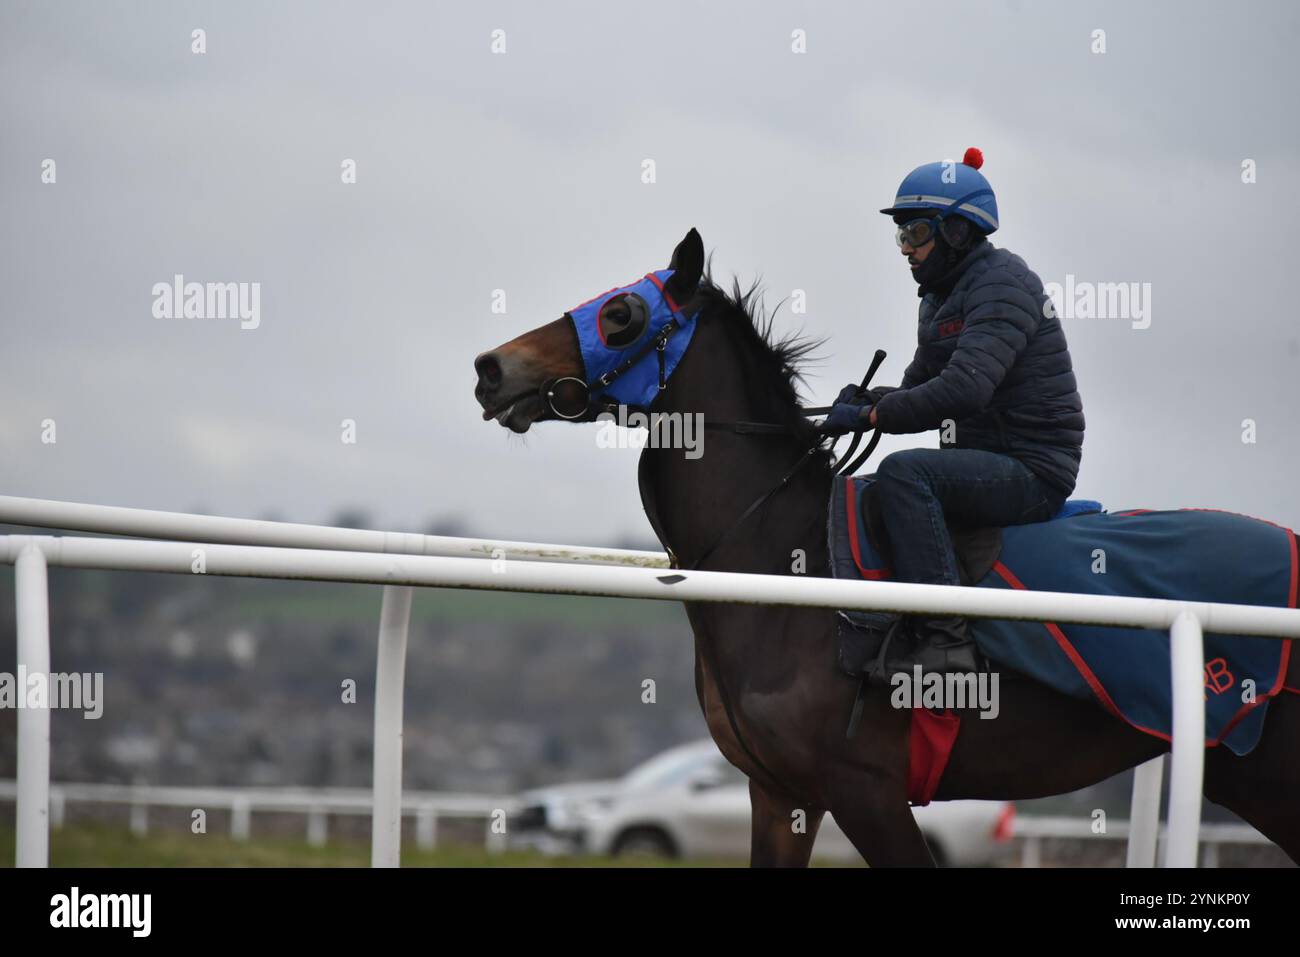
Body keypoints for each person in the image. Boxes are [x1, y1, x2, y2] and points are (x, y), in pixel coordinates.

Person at [823, 148, 1084, 676]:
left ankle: (946, 641)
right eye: (901, 236)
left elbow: (964, 389)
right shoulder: (940, 297)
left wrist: (875, 418)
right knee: (874, 486)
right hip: (985, 459)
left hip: (1032, 470)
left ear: (958, 233)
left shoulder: (1003, 282)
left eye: (915, 234)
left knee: (903, 472)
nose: (905, 250)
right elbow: (922, 386)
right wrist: (867, 402)